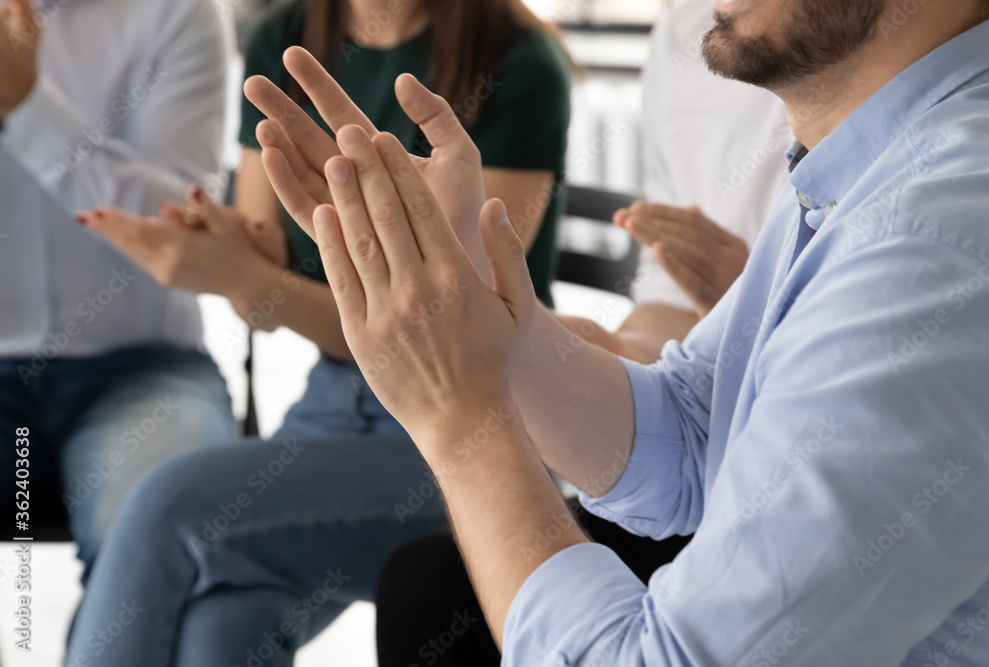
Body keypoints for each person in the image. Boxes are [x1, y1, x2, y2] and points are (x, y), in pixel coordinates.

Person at [243, 0, 989, 664]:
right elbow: (694, 428)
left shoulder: (934, 239)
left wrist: (460, 414)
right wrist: (467, 300)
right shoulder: (875, 163)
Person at [65, 1, 572, 665]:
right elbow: (264, 278)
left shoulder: (520, 64)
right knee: (223, 626)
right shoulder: (285, 39)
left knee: (168, 503)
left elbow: (438, 335)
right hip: (332, 405)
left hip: (466, 423)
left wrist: (244, 281)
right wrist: (223, 260)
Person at [373, 1, 792, 663]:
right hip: (716, 430)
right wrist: (490, 320)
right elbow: (675, 366)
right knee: (425, 586)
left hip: (772, 461)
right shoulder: (697, 30)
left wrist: (459, 412)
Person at [0, 0, 234, 583]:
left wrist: (29, 108)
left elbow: (182, 228)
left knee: (165, 539)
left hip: (142, 369)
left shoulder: (176, 12)